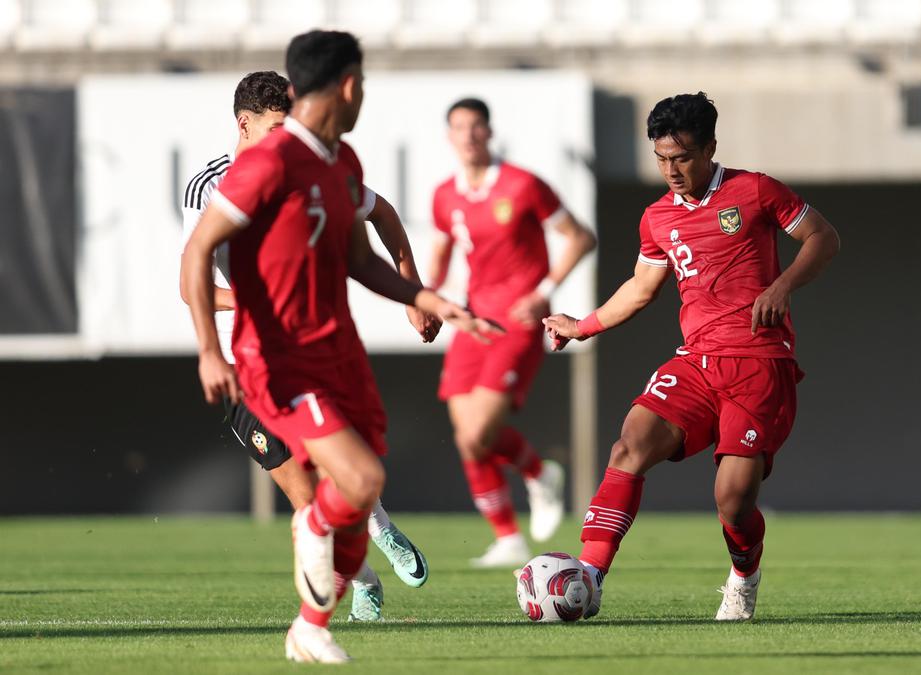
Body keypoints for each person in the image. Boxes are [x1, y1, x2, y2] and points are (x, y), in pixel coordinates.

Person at [181, 31, 499, 663]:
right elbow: (194, 257)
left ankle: (318, 605)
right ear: (347, 86)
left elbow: (359, 258)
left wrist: (422, 296)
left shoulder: (341, 162)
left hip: (338, 350)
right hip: (274, 359)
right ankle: (314, 603)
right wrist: (209, 352)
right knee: (353, 481)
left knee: (355, 490)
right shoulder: (260, 168)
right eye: (363, 82)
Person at [544, 92, 840, 621]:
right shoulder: (656, 218)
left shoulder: (754, 190)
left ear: (709, 149)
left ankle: (744, 574)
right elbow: (641, 287)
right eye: (661, 159)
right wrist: (582, 326)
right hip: (696, 362)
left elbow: (823, 236)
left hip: (759, 363)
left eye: (681, 157)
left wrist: (783, 286)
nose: (671, 170)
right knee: (629, 445)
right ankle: (588, 574)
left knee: (733, 498)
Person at [428, 97, 596, 567]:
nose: (468, 136)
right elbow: (440, 257)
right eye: (458, 127)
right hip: (472, 321)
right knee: (468, 440)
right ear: (449, 136)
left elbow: (581, 237)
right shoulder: (445, 195)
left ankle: (540, 474)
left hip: (518, 323)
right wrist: (429, 297)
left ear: (489, 131)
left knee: (480, 430)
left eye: (476, 126)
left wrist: (544, 290)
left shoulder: (522, 185)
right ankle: (509, 538)